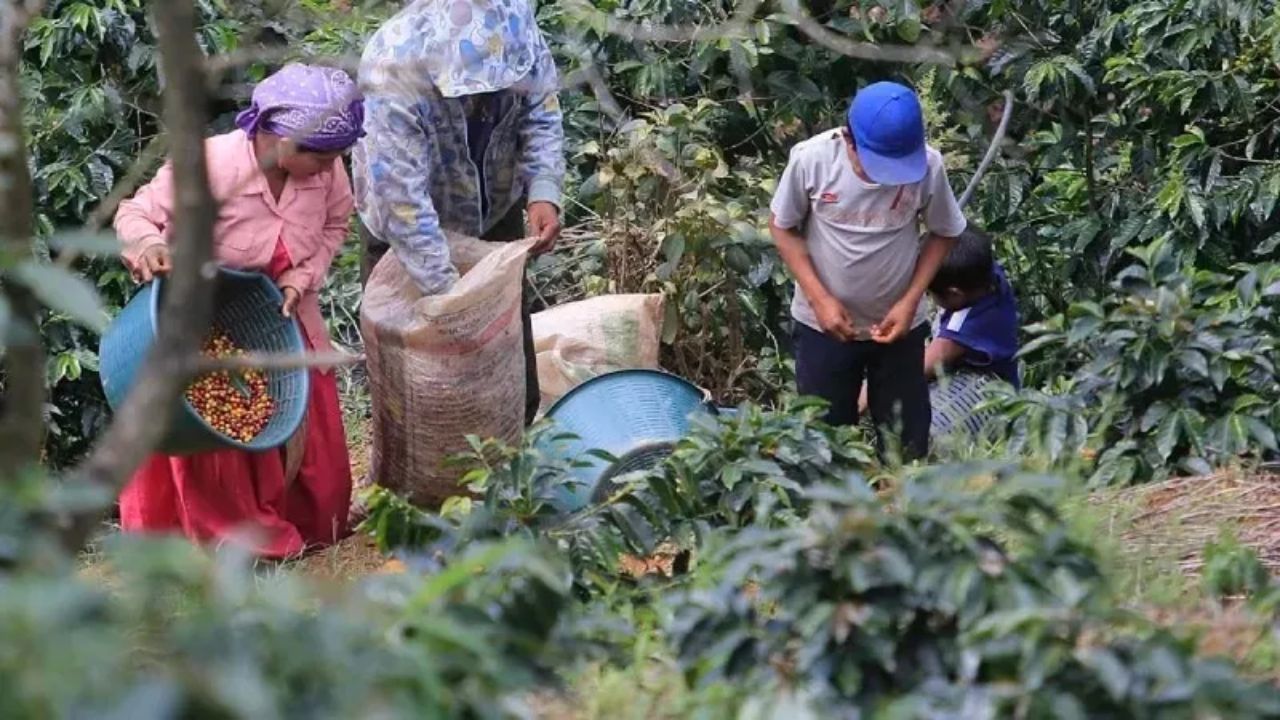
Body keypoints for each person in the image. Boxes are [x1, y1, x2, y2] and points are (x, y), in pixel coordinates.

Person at [114, 64, 363, 559]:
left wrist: (303, 275)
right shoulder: (210, 166)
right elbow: (135, 213)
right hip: (208, 320)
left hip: (285, 318)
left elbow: (337, 224)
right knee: (212, 434)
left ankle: (309, 529)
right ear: (273, 135)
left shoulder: (327, 172)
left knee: (310, 438)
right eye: (318, 154)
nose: (330, 165)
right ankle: (230, 544)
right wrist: (148, 245)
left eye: (338, 156)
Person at [353, 0, 565, 427]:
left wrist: (544, 191)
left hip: (493, 212)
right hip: (409, 233)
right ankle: (415, 485)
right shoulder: (394, 66)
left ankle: (513, 454)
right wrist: (455, 300)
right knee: (418, 379)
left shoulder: (516, 27)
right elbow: (403, 203)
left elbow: (541, 114)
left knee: (508, 360)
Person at [769, 81, 966, 461]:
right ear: (849, 139)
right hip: (821, 326)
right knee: (823, 443)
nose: (885, 179)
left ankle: (904, 511)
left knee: (906, 442)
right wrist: (820, 299)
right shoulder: (812, 160)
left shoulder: (927, 166)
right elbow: (782, 225)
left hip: (899, 328)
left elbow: (945, 232)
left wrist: (910, 301)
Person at [858, 226, 1021, 436]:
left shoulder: (963, 330)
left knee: (920, 431)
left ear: (954, 294)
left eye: (928, 291)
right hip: (968, 363)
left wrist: (863, 396)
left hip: (990, 385)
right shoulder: (986, 272)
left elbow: (915, 368)